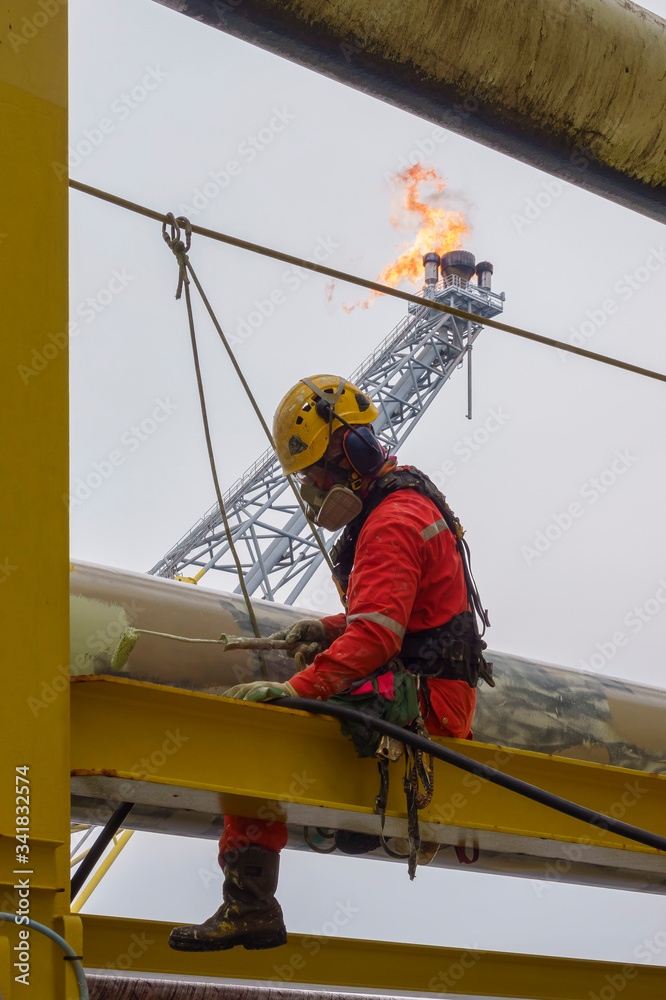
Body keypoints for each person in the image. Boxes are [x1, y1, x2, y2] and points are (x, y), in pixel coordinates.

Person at [168, 375, 492, 954]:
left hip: (427, 711)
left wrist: (296, 689)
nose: (313, 490)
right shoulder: (403, 502)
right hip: (434, 694)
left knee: (255, 731)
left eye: (316, 473)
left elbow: (376, 636)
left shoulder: (390, 521)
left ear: (351, 454)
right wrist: (324, 629)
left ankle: (249, 906)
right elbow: (402, 614)